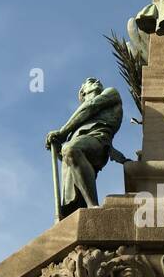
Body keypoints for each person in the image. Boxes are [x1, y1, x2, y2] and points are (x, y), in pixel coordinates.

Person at [44, 78, 123, 219]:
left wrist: (62, 132)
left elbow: (91, 106)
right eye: (91, 81)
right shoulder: (76, 128)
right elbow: (69, 159)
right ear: (83, 91)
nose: (97, 80)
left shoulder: (110, 93)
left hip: (99, 140)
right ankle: (75, 213)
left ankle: (92, 206)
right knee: (69, 151)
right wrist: (57, 149)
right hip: (80, 147)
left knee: (71, 149)